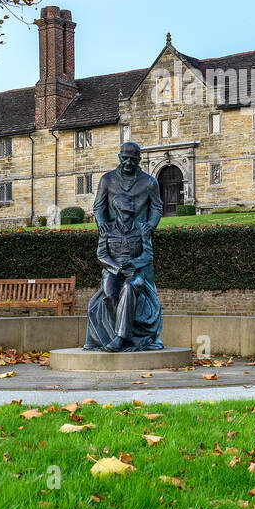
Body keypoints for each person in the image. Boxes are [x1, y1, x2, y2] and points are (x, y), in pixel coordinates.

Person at [84, 141, 164, 352]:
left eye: (133, 158)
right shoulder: (107, 180)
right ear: (119, 157)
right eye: (125, 158)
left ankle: (131, 336)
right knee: (109, 291)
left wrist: (149, 226)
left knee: (134, 288)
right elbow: (99, 207)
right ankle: (118, 335)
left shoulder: (149, 182)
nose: (128, 162)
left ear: (139, 159)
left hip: (138, 242)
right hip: (114, 246)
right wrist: (104, 228)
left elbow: (157, 207)